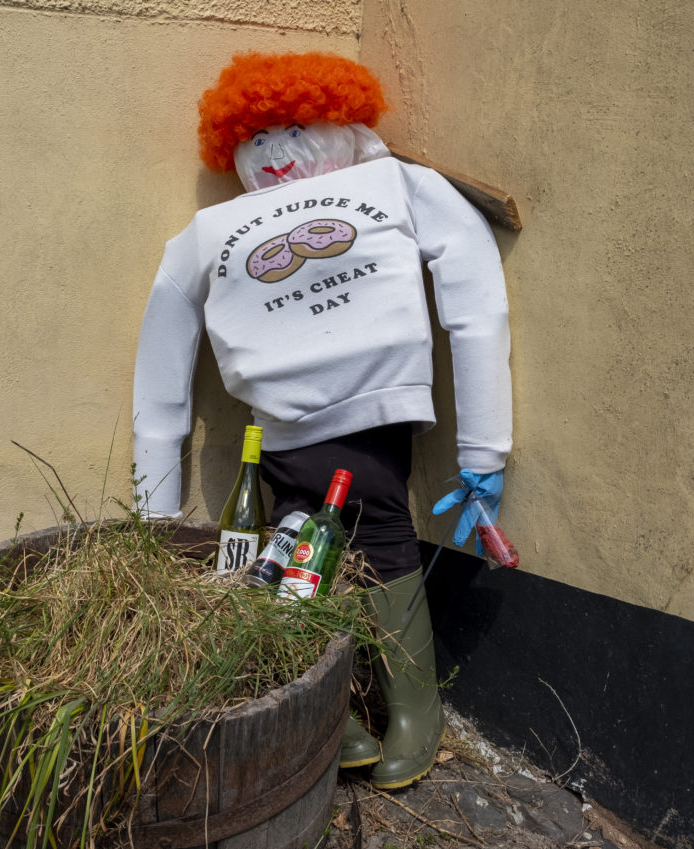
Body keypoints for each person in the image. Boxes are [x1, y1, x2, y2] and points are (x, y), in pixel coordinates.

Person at [131, 51, 512, 789]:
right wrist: (155, 511)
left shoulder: (394, 182)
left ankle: (412, 708)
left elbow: (473, 290)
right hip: (271, 428)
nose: (277, 155)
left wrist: (483, 446)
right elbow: (161, 364)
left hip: (370, 407)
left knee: (378, 537)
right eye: (257, 138)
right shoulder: (211, 231)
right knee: (295, 548)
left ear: (340, 124)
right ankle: (328, 707)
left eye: (297, 129)